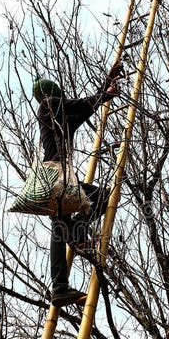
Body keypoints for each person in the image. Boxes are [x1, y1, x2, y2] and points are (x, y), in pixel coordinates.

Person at [33, 64, 121, 307]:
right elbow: (81, 103)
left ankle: (60, 287)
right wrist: (105, 93)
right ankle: (78, 233)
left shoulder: (64, 120)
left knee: (61, 226)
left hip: (55, 179)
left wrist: (107, 83)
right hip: (55, 176)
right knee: (101, 197)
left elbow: (88, 106)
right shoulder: (48, 106)